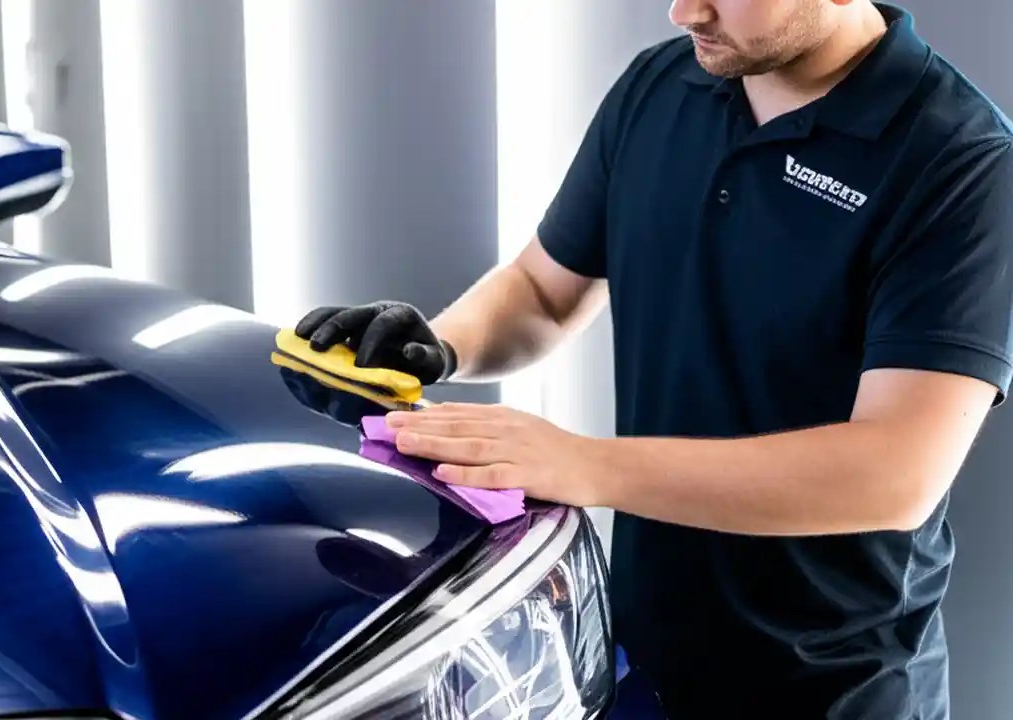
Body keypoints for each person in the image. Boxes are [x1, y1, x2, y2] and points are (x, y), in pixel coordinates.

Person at [293, 1, 1013, 717]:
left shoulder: (961, 160)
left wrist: (584, 465)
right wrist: (437, 345)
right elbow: (544, 292)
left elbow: (893, 474)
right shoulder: (658, 86)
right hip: (642, 663)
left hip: (834, 688)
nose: (682, 10)